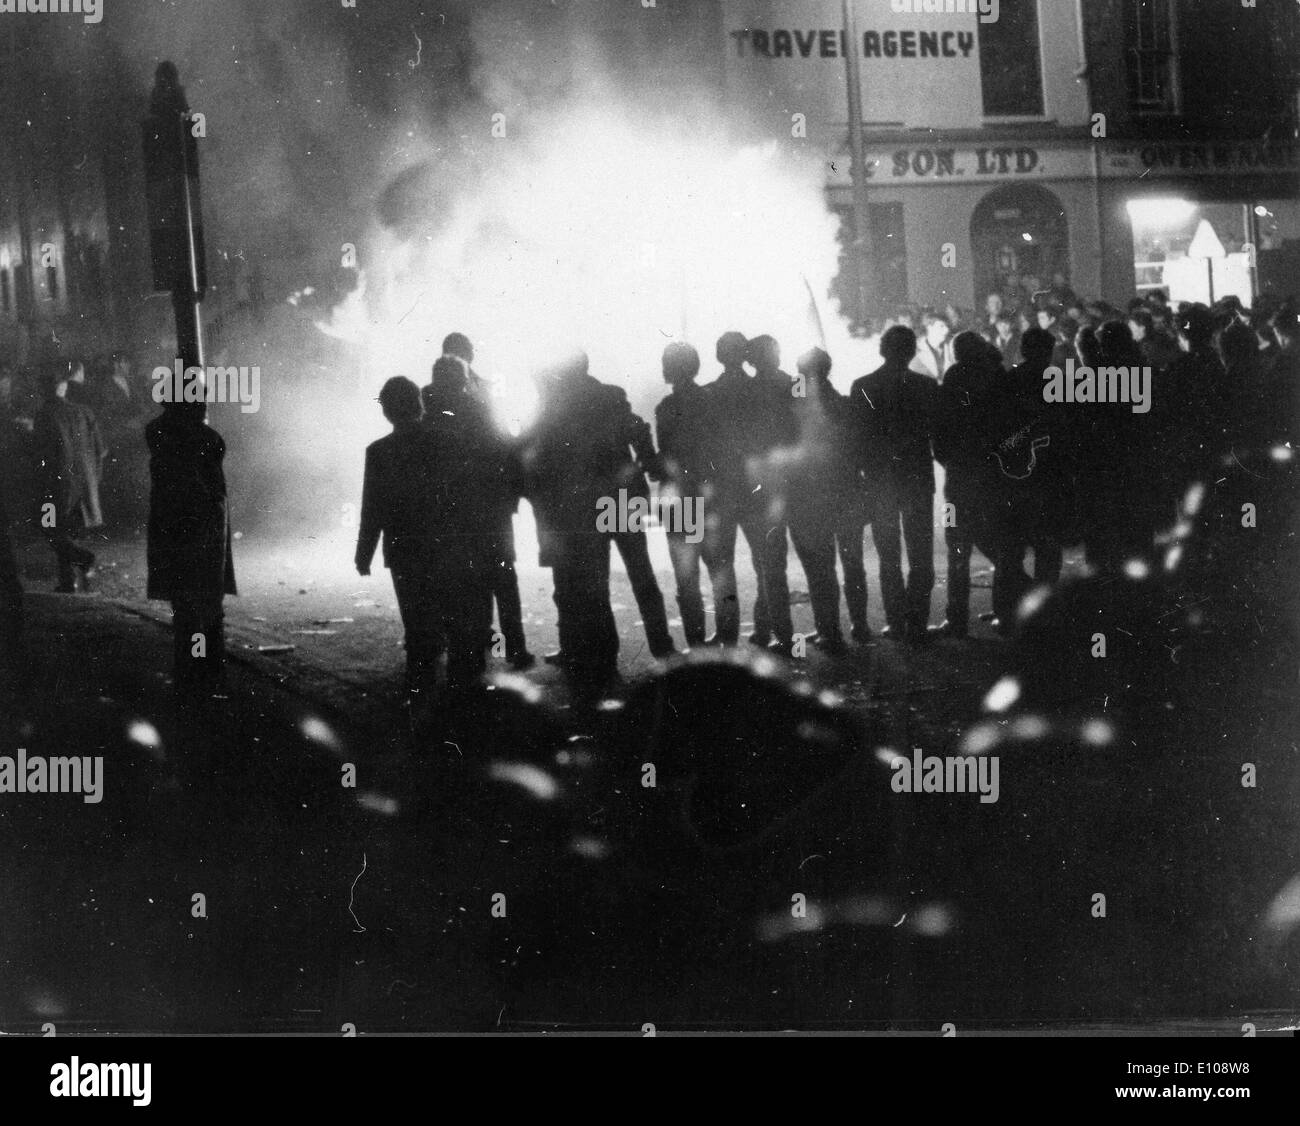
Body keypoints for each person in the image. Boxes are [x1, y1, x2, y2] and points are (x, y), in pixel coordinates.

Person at [357, 373, 490, 726]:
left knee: (418, 627)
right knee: (455, 620)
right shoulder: (448, 441)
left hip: (404, 549)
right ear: (418, 404)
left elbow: (373, 507)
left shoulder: (379, 452)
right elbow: (466, 497)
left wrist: (364, 553)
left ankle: (421, 708)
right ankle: (463, 704)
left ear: (387, 411)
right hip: (448, 544)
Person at [521, 352, 653, 699]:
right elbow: (638, 430)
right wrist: (646, 460)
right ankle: (662, 644)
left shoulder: (556, 405)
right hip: (623, 495)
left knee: (594, 581)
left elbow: (537, 456)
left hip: (586, 504)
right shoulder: (611, 394)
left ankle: (595, 657)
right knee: (640, 569)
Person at [424, 343, 535, 671]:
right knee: (503, 579)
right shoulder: (483, 409)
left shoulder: (428, 417)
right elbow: (508, 454)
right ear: (463, 380)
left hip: (451, 514)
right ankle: (515, 648)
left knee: (459, 582)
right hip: (492, 509)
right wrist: (512, 499)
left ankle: (467, 652)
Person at [850, 326, 939, 642]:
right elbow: (936, 436)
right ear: (913, 351)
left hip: (880, 481)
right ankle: (917, 621)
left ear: (882, 349)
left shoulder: (863, 386)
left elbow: (857, 442)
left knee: (888, 557)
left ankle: (896, 621)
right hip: (917, 478)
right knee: (921, 554)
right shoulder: (927, 387)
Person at [146, 394, 236, 692]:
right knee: (207, 601)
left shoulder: (159, 433)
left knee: (185, 603)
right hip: (207, 526)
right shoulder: (208, 437)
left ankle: (190, 669)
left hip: (175, 525)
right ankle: (210, 669)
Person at [987, 327, 1070, 628]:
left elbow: (996, 428)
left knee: (1010, 548)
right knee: (1048, 548)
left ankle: (1007, 614)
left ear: (1022, 349)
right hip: (1049, 475)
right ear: (1049, 352)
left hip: (1013, 473)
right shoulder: (1060, 381)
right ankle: (1044, 610)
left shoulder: (1008, 381)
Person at [701, 332, 770, 649]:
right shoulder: (760, 389)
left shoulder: (708, 394)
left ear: (717, 356)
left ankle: (727, 633)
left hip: (721, 490)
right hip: (756, 486)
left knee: (722, 565)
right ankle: (765, 627)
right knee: (765, 561)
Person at [653, 341, 721, 650]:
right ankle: (728, 641)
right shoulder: (710, 401)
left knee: (687, 577)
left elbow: (666, 458)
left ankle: (696, 643)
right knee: (720, 569)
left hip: (679, 498)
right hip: (710, 492)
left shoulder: (666, 408)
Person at [933, 332, 1001, 638]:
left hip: (958, 477)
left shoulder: (954, 376)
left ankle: (956, 618)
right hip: (991, 475)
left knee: (956, 546)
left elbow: (942, 428)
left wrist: (946, 459)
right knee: (997, 542)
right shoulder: (996, 374)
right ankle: (1006, 606)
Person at [783, 347, 851, 653]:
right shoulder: (841, 402)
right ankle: (830, 628)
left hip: (803, 495)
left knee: (817, 566)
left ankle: (829, 630)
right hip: (835, 490)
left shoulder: (796, 405)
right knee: (827, 564)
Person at [743, 335, 798, 655]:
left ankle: (779, 632)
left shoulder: (747, 391)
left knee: (768, 561)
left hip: (762, 482)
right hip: (796, 478)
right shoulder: (796, 382)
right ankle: (770, 629)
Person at [33, 363, 106, 593]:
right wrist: (94, 479)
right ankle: (68, 582)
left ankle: (85, 559)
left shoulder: (44, 414)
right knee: (64, 531)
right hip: (84, 484)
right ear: (63, 387)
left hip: (56, 483)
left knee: (51, 529)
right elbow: (99, 450)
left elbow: (42, 454)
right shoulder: (84, 412)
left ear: (44, 390)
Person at [911, 312, 954, 382]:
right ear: (929, 327)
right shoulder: (916, 351)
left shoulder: (950, 349)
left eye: (947, 326)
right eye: (941, 326)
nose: (947, 330)